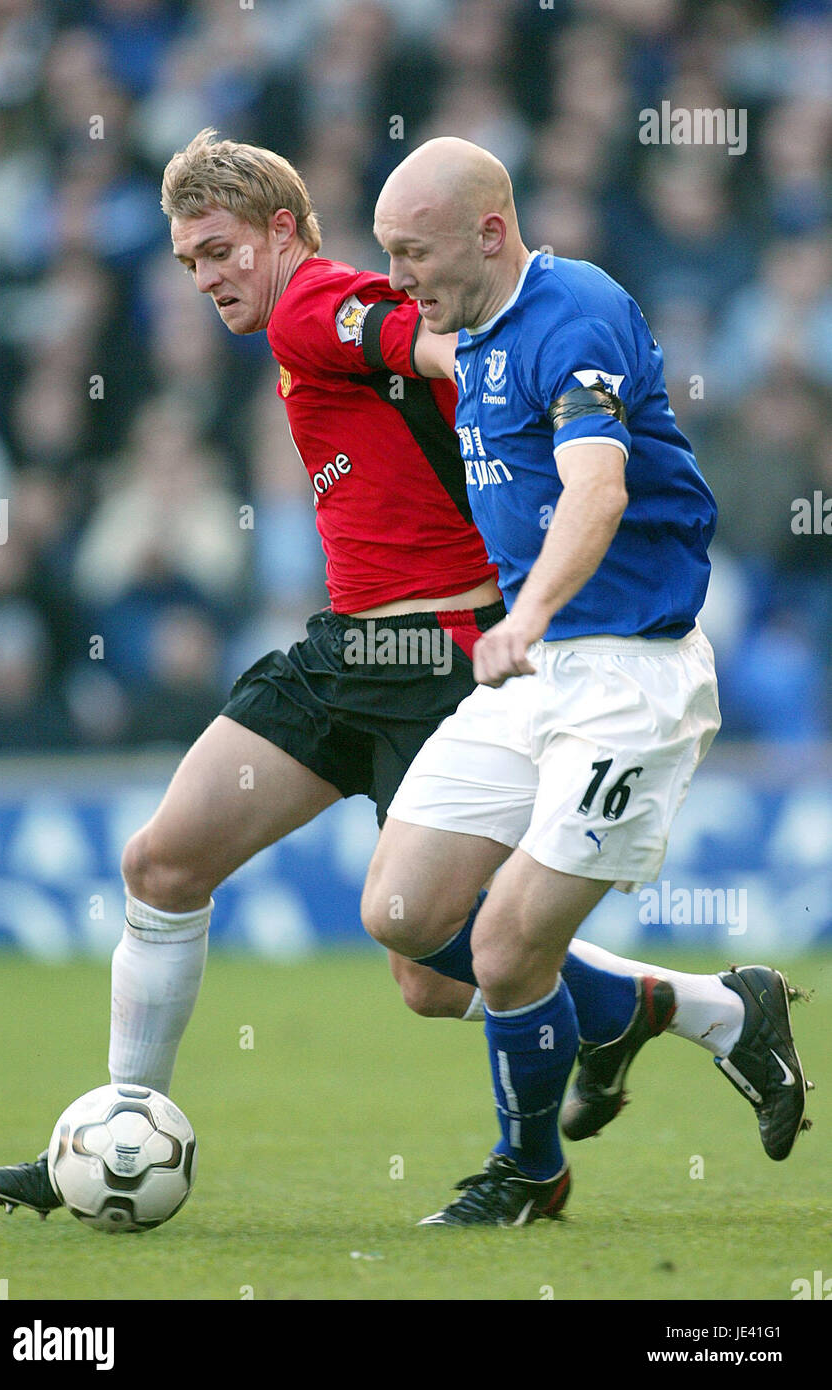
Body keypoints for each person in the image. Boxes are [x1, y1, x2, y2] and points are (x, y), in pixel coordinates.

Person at [0, 131, 807, 1222]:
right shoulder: (314, 318)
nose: (206, 278)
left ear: (282, 231)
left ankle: (675, 1019)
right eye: (186, 264)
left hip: (441, 659)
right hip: (350, 650)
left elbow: (435, 341)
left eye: (219, 250)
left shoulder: (314, 304)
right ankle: (120, 1123)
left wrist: (514, 383)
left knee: (437, 968)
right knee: (165, 860)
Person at [361, 136, 812, 1226]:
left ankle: (528, 1175)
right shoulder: (462, 333)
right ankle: (703, 1009)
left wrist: (525, 615)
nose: (397, 279)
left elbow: (595, 491)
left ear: (487, 230)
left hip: (626, 674)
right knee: (408, 925)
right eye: (386, 255)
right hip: (535, 675)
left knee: (512, 944)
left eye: (411, 252)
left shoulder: (575, 310)